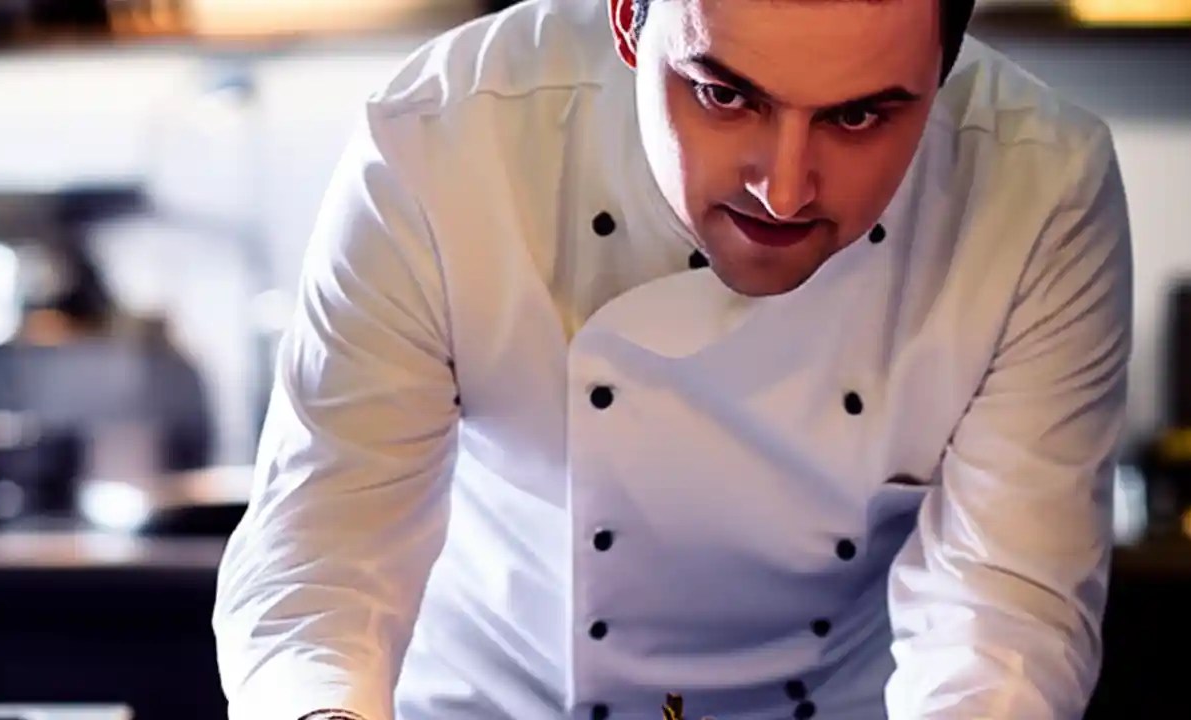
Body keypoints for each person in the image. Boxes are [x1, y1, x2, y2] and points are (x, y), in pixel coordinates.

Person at [212, 0, 1134, 718]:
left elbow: (1001, 617)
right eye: (725, 95)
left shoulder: (1039, 187)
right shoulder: (444, 139)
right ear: (627, 19)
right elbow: (322, 561)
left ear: (943, 72)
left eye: (858, 117)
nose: (783, 189)